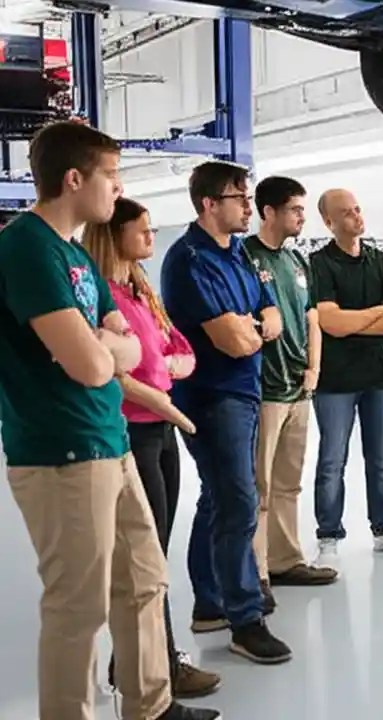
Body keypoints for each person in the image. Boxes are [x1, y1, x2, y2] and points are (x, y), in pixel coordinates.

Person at [0, 121, 218, 719]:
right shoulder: (25, 247)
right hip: (62, 453)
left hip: (110, 441)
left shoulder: (73, 254)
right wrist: (106, 349)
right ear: (75, 179)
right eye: (112, 177)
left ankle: (151, 706)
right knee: (77, 608)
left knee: (145, 580)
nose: (118, 191)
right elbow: (93, 364)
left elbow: (120, 343)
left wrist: (107, 347)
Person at [82, 196, 223, 699]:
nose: (149, 238)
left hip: (161, 430)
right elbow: (123, 372)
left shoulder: (140, 292)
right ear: (114, 233)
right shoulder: (103, 298)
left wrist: (161, 366)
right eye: (141, 230)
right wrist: (161, 370)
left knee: (155, 550)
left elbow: (179, 348)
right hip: (134, 431)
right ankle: (155, 662)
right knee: (144, 559)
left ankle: (137, 659)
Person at [160, 160, 293, 665]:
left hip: (246, 391)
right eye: (239, 198)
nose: (247, 205)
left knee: (220, 499)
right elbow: (232, 341)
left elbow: (273, 314)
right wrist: (252, 328)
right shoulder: (189, 260)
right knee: (239, 500)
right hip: (213, 398)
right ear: (209, 204)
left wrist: (253, 325)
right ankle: (244, 618)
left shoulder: (239, 253)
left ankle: (210, 601)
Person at [308, 188, 383, 568]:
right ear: (329, 222)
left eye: (358, 208)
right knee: (331, 461)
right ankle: (328, 536)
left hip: (378, 376)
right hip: (335, 381)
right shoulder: (318, 264)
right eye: (346, 212)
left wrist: (352, 319)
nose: (356, 216)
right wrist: (375, 313)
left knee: (380, 459)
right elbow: (330, 323)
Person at [243, 176, 339, 604]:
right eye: (295, 209)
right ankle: (256, 571)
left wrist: (314, 369)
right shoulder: (244, 257)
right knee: (259, 486)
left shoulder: (298, 262)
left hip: (299, 387)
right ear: (269, 212)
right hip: (265, 389)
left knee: (287, 483)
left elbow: (312, 317)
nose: (303, 216)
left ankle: (285, 559)